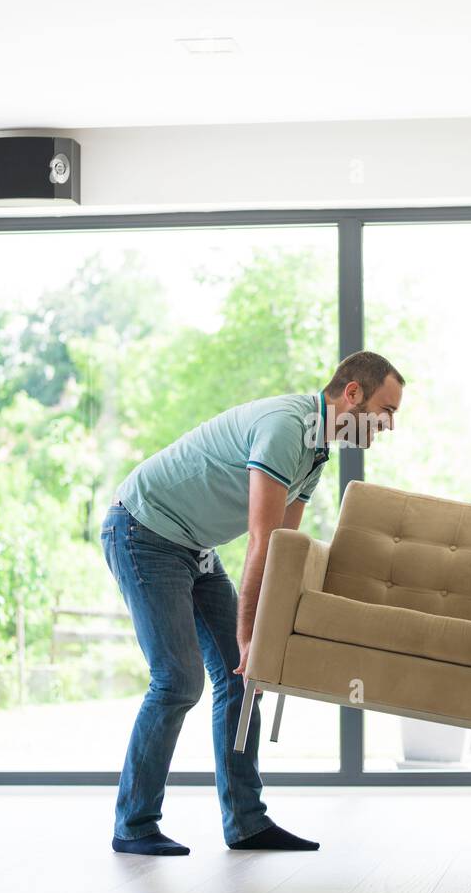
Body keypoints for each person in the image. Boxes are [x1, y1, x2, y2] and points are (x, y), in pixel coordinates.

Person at [100, 351, 404, 855]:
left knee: (246, 680)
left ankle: (246, 823)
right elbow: (262, 541)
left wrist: (268, 640)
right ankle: (133, 825)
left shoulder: (315, 454)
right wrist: (247, 635)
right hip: (143, 530)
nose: (389, 425)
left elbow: (284, 554)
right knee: (178, 680)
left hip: (192, 548)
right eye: (386, 411)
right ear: (352, 394)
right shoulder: (287, 427)